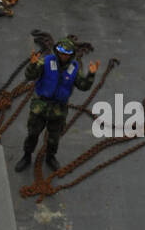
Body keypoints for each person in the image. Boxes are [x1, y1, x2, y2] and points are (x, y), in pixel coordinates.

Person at [15, 38, 99, 170]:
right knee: (33, 133)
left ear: (71, 55)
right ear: (57, 51)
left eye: (66, 53)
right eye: (61, 52)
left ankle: (50, 157)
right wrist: (32, 65)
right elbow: (30, 76)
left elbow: (83, 86)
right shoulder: (46, 61)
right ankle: (26, 156)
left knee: (54, 137)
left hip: (58, 108)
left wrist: (91, 75)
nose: (63, 56)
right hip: (40, 106)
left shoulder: (74, 68)